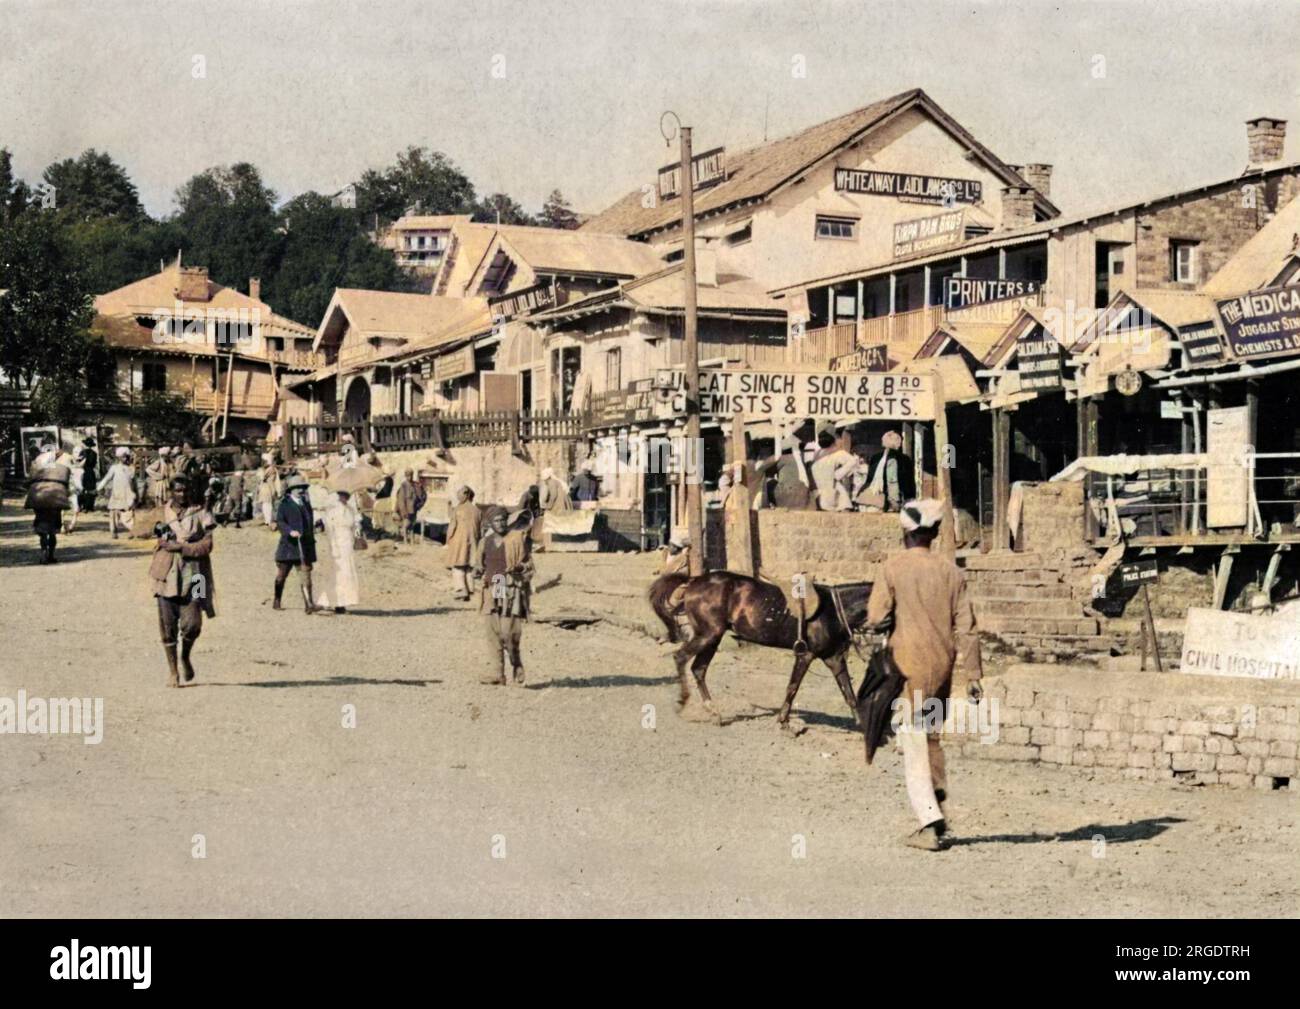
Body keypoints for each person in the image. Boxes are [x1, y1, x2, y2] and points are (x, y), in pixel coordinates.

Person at [865, 499, 982, 852]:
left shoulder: (893, 568)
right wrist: (973, 674)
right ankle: (938, 796)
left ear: (906, 533)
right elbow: (968, 628)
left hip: (908, 669)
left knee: (913, 743)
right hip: (942, 670)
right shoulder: (953, 573)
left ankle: (929, 823)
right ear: (933, 533)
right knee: (930, 736)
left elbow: (875, 617)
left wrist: (888, 620)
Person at [151, 476, 216, 687]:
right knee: (167, 624)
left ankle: (185, 655)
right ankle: (173, 672)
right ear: (171, 491)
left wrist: (183, 548)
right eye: (178, 490)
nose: (182, 494)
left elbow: (207, 545)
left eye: (186, 490)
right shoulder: (162, 511)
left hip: (196, 572)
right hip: (166, 571)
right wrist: (160, 537)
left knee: (193, 624)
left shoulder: (201, 512)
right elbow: (140, 529)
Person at [473, 506, 534, 685]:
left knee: (509, 632)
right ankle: (498, 674)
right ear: (490, 523)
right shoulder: (485, 542)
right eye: (496, 521)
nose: (499, 524)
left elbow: (529, 565)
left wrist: (519, 568)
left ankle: (516, 663)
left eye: (502, 520)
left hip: (509, 587)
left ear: (506, 520)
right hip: (494, 585)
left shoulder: (516, 539)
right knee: (493, 632)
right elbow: (479, 564)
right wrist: (477, 571)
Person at [273, 474, 317, 613]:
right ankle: (277, 599)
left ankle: (308, 605)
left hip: (304, 547)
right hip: (288, 547)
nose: (300, 490)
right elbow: (280, 521)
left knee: (306, 577)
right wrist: (289, 531)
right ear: (291, 490)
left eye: (302, 487)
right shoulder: (284, 504)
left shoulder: (306, 503)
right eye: (297, 488)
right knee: (281, 576)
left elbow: (309, 523)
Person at [315, 489, 362, 613]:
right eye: (342, 495)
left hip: (348, 544)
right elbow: (330, 529)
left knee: (347, 573)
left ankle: (343, 602)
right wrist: (333, 546)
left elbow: (354, 524)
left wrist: (357, 528)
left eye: (347, 495)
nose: (344, 497)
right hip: (337, 543)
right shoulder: (333, 510)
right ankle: (330, 601)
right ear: (338, 495)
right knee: (336, 573)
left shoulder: (351, 510)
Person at [26, 442, 69, 563]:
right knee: (53, 530)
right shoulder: (61, 469)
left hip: (40, 500)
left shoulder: (36, 467)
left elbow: (29, 482)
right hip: (56, 500)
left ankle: (43, 553)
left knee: (43, 529)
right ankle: (51, 555)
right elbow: (66, 481)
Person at [861, 430, 916, 513]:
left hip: (885, 494)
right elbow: (908, 481)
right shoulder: (901, 459)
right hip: (887, 495)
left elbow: (870, 478)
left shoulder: (877, 457)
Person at [445, 485, 482, 601]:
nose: (458, 498)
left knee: (458, 566)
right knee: (469, 566)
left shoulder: (458, 509)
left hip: (459, 542)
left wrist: (448, 540)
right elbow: (481, 529)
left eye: (459, 495)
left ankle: (461, 590)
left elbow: (452, 526)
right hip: (474, 542)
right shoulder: (477, 510)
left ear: (466, 495)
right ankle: (470, 589)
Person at [96, 447, 137, 539]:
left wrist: (137, 495)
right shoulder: (114, 468)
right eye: (122, 457)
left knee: (128, 514)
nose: (124, 459)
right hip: (117, 494)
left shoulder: (131, 469)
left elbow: (135, 483)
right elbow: (107, 478)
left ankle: (132, 530)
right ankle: (114, 532)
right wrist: (99, 488)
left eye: (126, 457)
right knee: (114, 514)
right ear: (118, 458)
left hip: (128, 495)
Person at [393, 469, 426, 543]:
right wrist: (404, 512)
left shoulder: (416, 485)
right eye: (408, 476)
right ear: (405, 476)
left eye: (411, 475)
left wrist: (418, 506)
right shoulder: (403, 486)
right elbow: (401, 500)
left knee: (412, 525)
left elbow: (423, 496)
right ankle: (405, 540)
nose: (409, 477)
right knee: (406, 525)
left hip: (413, 509)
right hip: (406, 510)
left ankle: (411, 540)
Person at [257, 453, 281, 527]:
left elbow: (262, 477)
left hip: (268, 488)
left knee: (268, 505)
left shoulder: (270, 469)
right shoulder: (271, 468)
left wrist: (260, 471)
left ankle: (269, 520)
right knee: (265, 505)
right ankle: (267, 520)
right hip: (266, 488)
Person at [79, 437, 98, 512]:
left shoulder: (82, 452)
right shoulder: (94, 453)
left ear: (85, 444)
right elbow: (94, 464)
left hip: (83, 471)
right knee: (91, 489)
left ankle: (84, 506)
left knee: (83, 488)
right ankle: (90, 506)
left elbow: (79, 462)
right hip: (91, 472)